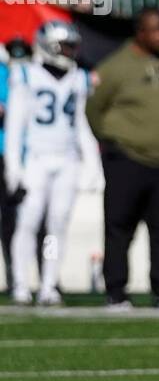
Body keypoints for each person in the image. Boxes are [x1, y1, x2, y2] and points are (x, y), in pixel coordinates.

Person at [85, 8, 159, 309]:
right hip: (126, 158)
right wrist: (112, 141)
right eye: (155, 30)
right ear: (140, 32)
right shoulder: (116, 66)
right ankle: (116, 291)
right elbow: (94, 108)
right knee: (120, 227)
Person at [3, 21, 97, 305]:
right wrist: (13, 168)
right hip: (36, 158)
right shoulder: (25, 75)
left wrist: (91, 160)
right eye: (65, 46)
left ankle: (48, 285)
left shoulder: (78, 79)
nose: (70, 52)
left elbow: (80, 123)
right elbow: (15, 125)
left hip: (66, 159)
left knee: (57, 224)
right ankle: (20, 284)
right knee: (28, 222)